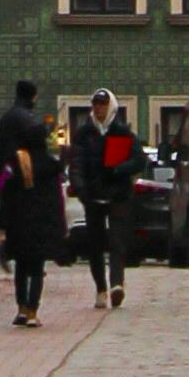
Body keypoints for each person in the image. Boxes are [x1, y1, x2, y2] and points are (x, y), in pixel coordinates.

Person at [0, 80, 65, 326]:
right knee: (36, 266)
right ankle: (33, 310)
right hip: (39, 221)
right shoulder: (48, 164)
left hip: (17, 215)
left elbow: (2, 176)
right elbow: (55, 200)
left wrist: (3, 199)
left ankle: (22, 308)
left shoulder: (12, 155)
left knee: (22, 264)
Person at [70, 88, 142, 307]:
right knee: (95, 244)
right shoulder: (84, 133)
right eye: (95, 104)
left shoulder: (122, 132)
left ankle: (116, 284)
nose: (98, 108)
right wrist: (81, 189)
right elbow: (77, 164)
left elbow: (139, 160)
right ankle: (100, 288)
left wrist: (120, 169)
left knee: (117, 241)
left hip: (118, 195)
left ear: (110, 106)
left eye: (102, 104)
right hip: (93, 196)